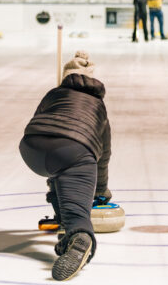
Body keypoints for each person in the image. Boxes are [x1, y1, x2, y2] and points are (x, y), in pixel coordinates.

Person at [19, 51, 111, 281]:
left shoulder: (53, 94)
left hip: (31, 148)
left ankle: (61, 210)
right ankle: (80, 236)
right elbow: (104, 156)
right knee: (75, 167)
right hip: (72, 152)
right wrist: (100, 191)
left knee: (60, 167)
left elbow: (40, 121)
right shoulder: (98, 105)